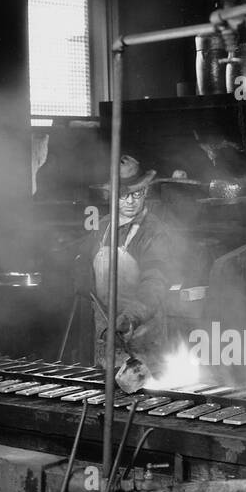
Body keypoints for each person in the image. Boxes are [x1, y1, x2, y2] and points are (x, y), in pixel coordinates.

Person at [81, 154, 176, 376]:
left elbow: (156, 280)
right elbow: (86, 259)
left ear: (146, 192)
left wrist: (131, 316)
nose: (131, 201)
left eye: (137, 193)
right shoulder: (103, 227)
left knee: (143, 402)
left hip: (144, 344)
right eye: (123, 195)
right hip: (107, 341)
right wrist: (81, 269)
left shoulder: (154, 232)